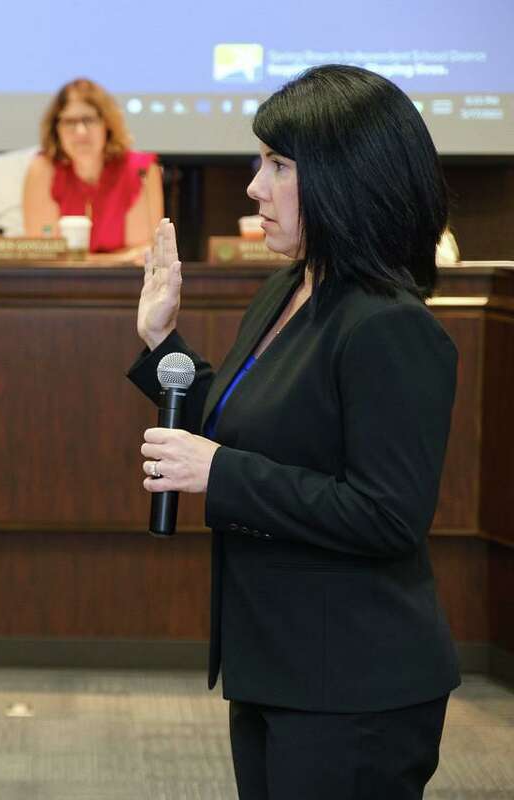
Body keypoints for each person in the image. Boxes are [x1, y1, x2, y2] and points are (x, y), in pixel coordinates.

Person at [129, 65, 459, 799]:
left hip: (354, 685)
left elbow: (387, 515)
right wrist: (163, 345)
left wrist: (219, 474)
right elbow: (246, 422)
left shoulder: (389, 325)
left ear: (346, 179)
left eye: (279, 166)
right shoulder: (290, 287)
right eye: (261, 161)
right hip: (276, 662)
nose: (254, 186)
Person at [22, 78, 163, 263]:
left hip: (127, 286)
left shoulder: (140, 170)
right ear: (56, 129)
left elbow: (145, 254)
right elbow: (43, 255)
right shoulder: (42, 169)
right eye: (69, 121)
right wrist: (117, 260)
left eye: (89, 120)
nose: (80, 131)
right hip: (59, 286)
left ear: (107, 124)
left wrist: (83, 262)